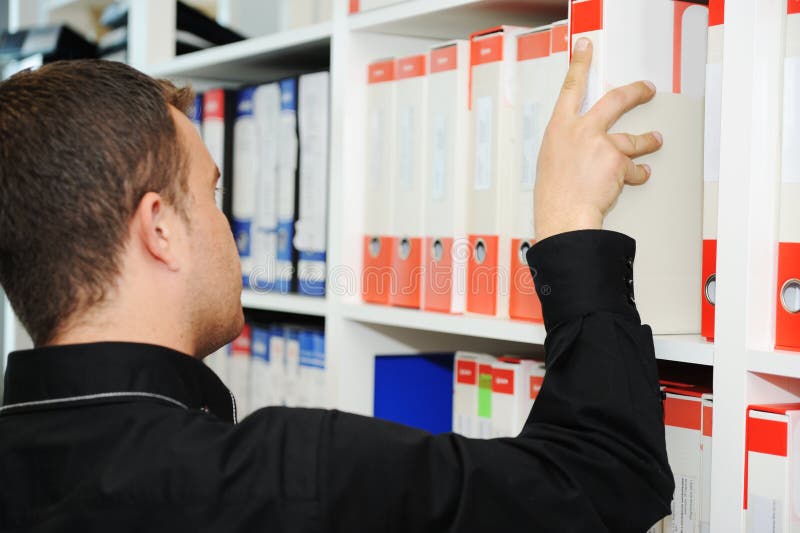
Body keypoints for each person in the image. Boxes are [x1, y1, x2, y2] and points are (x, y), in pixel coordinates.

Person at [0, 37, 671, 532]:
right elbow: (605, 479)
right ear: (160, 229)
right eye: (211, 193)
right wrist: (568, 224)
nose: (232, 227)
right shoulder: (283, 478)